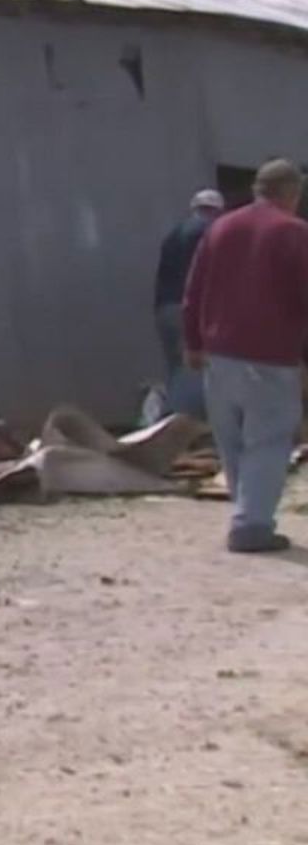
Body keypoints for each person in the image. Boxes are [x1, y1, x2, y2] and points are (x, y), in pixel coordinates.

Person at [183, 159, 308, 555]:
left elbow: (194, 288)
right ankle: (251, 525)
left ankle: (245, 512)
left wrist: (192, 343)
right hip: (269, 355)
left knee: (233, 442)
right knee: (268, 440)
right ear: (292, 191)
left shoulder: (221, 227)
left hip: (219, 354)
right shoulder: (293, 232)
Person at [154, 189, 223, 418]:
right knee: (195, 370)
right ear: (217, 211)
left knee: (177, 369)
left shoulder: (173, 235)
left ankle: (169, 421)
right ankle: (177, 425)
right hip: (190, 309)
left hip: (165, 309)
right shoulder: (211, 233)